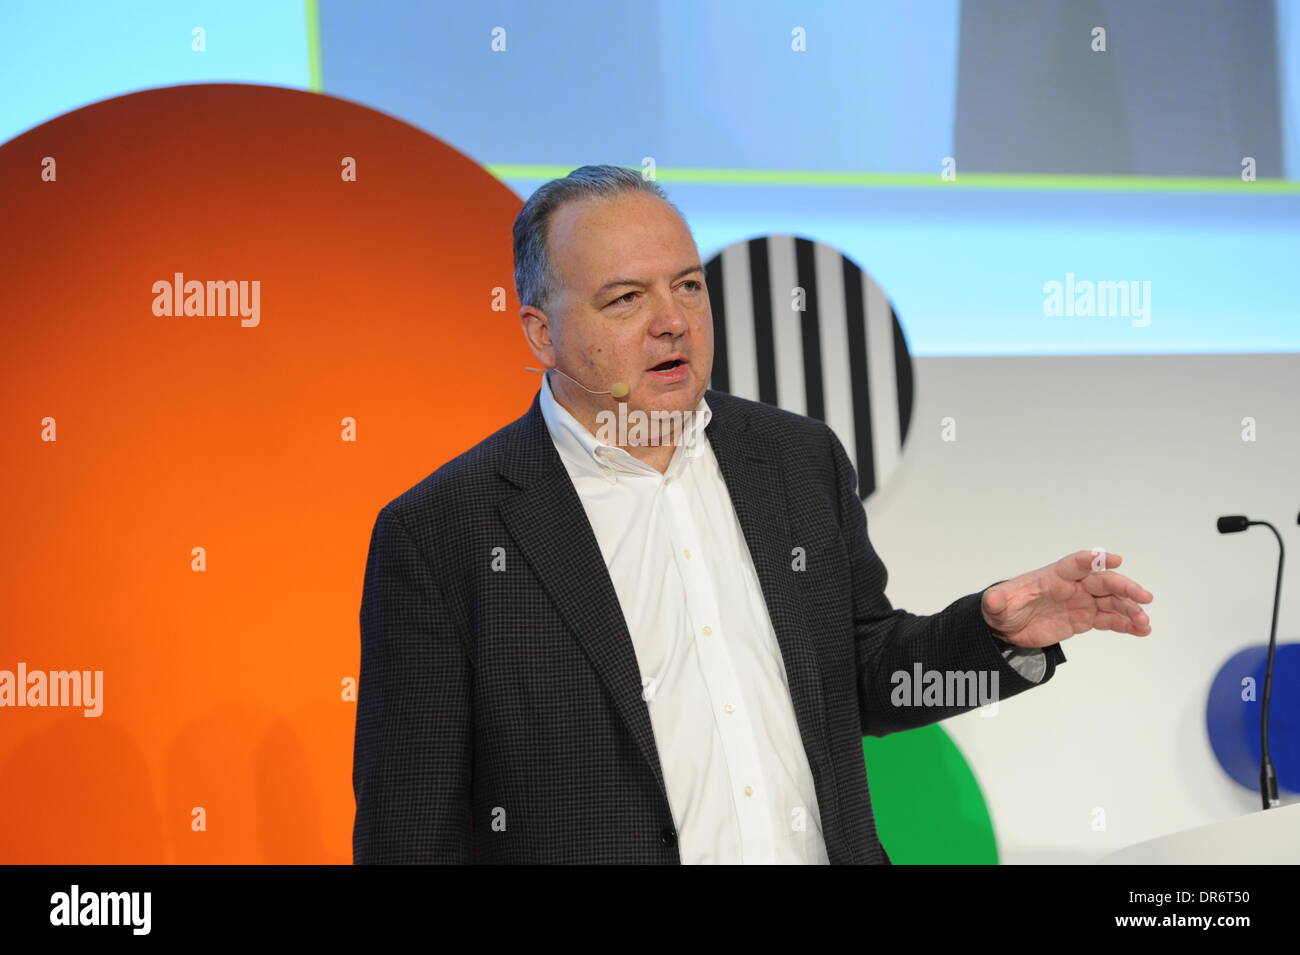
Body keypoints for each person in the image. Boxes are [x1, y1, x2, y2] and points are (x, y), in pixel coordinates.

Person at [351, 164, 1154, 864]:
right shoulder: (445, 532)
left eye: (688, 285)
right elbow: (408, 833)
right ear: (541, 330)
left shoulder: (796, 461)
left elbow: (863, 676)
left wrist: (992, 636)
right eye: (626, 298)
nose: (673, 320)